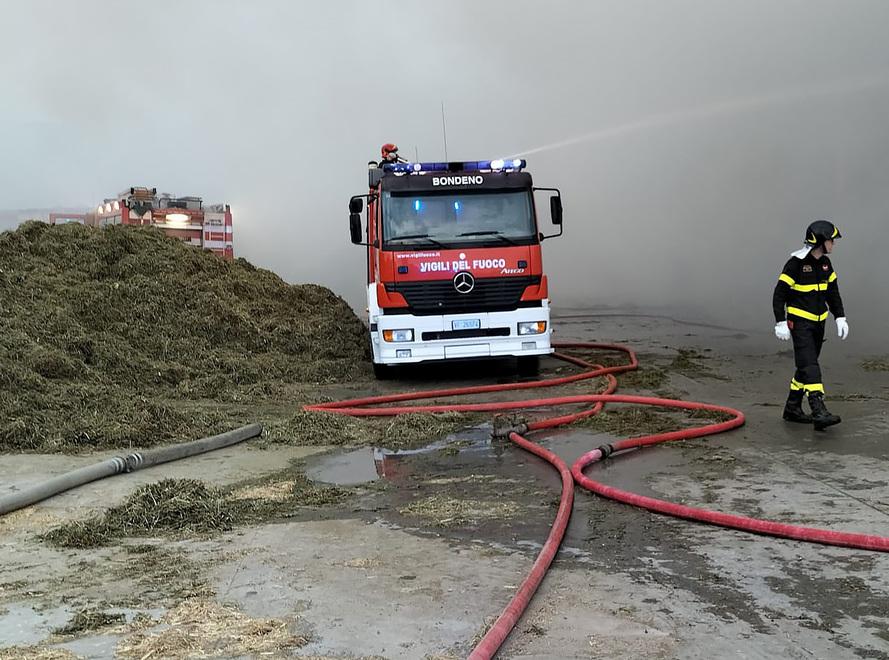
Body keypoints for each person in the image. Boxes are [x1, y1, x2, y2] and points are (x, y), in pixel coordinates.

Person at [772, 220, 848, 430]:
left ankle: (792, 408)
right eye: (831, 240)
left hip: (818, 324)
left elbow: (832, 292)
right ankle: (818, 409)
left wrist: (839, 316)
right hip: (800, 324)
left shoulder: (826, 264)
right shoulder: (795, 264)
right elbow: (779, 294)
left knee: (805, 366)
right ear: (820, 241)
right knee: (811, 366)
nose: (833, 244)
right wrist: (780, 322)